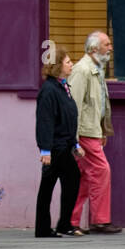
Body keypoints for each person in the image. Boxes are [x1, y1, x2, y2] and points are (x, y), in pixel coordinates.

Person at [69, 31, 121, 234]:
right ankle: (100, 220)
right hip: (84, 132)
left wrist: (103, 132)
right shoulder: (82, 70)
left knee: (83, 177)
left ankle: (72, 219)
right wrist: (74, 139)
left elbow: (101, 105)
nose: (110, 48)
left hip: (92, 132)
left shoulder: (96, 69)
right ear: (93, 49)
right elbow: (75, 106)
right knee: (101, 170)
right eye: (106, 44)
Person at [35, 46, 84, 238]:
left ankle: (60, 224)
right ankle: (49, 227)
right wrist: (45, 150)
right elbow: (45, 121)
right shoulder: (49, 90)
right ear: (57, 66)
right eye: (67, 62)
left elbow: (68, 118)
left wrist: (75, 144)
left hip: (63, 145)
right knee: (52, 185)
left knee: (67, 181)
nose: (71, 64)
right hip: (55, 148)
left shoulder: (63, 87)